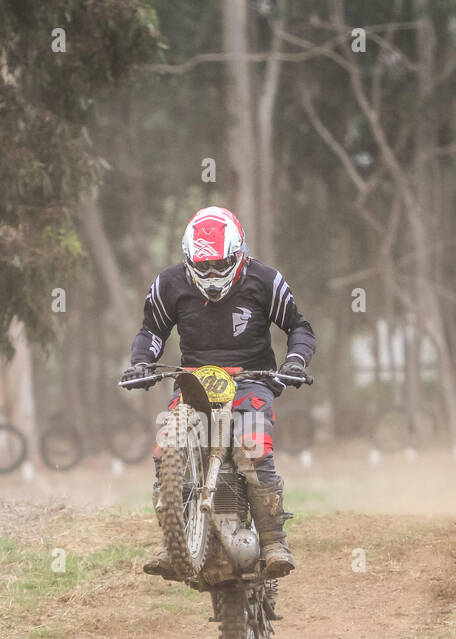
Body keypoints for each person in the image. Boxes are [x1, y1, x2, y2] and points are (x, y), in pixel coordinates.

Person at [122, 206, 316, 578]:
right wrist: (141, 363)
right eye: (203, 266)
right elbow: (150, 332)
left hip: (251, 378)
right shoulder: (169, 284)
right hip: (194, 380)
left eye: (220, 265)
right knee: (167, 442)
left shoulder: (265, 281)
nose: (211, 275)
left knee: (253, 443)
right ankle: (173, 540)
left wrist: (295, 362)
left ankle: (274, 540)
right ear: (188, 259)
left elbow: (299, 327)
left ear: (238, 254)